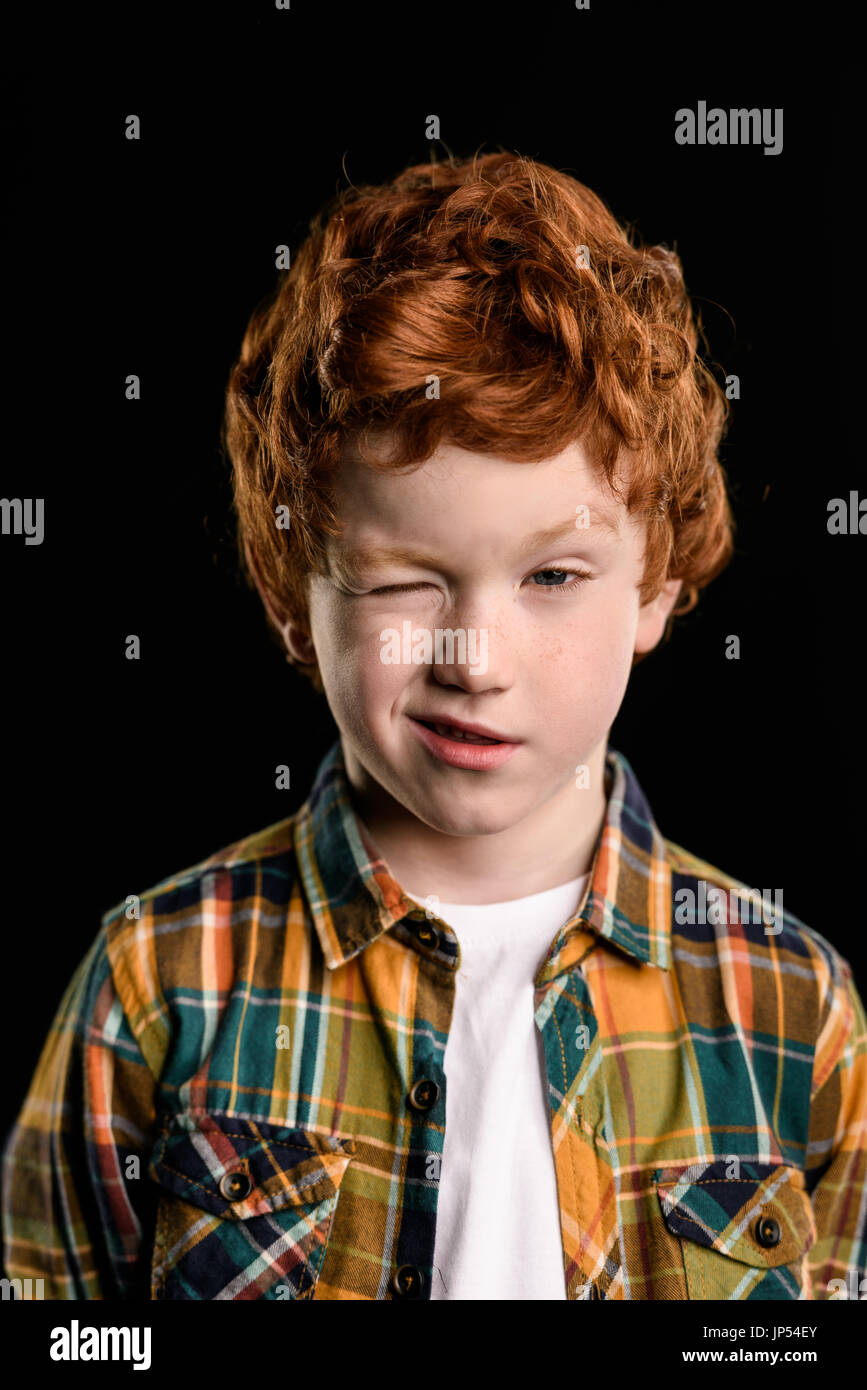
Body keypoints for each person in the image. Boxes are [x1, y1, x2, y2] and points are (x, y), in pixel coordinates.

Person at [3, 152, 865, 1301]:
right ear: (290, 595)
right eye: (407, 582)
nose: (476, 660)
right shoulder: (156, 983)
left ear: (653, 585)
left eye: (554, 576)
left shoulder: (793, 1007)